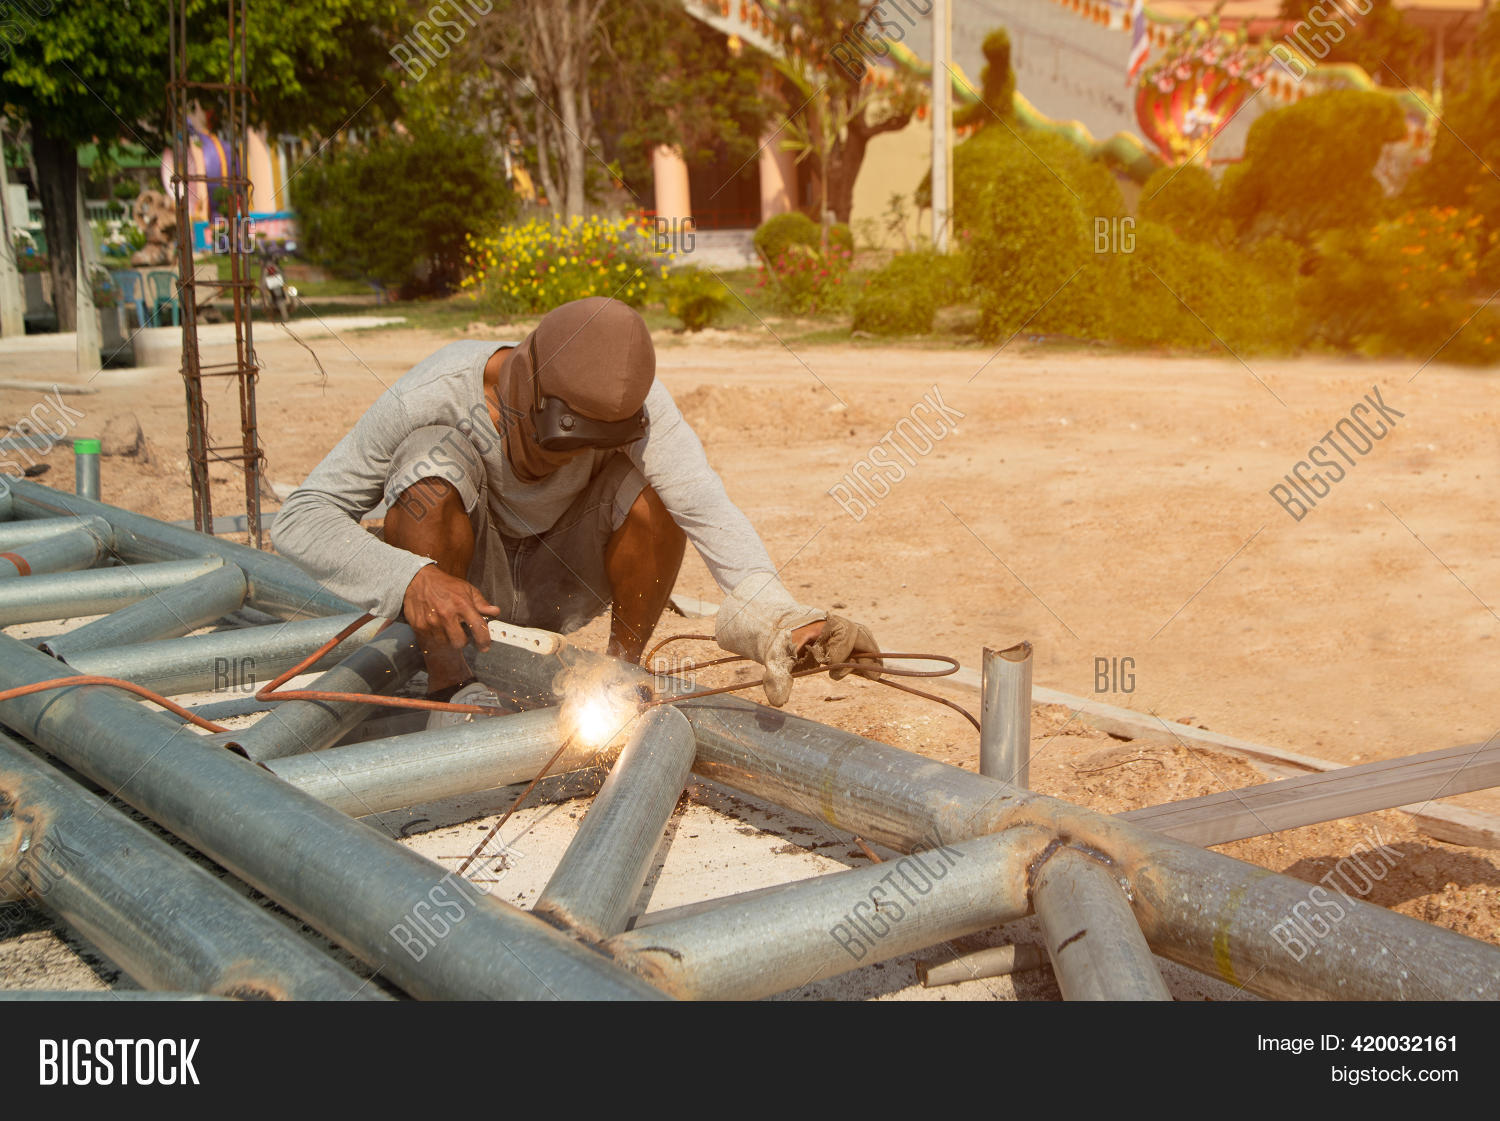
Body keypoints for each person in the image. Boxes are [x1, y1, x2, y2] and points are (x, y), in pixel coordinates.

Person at [272, 297, 879, 716]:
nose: (567, 463)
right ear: (520, 396)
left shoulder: (640, 404)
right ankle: (449, 685)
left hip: (561, 579)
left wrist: (781, 617)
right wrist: (412, 577)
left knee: (656, 491)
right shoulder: (436, 391)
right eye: (558, 445)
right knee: (429, 463)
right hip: (462, 582)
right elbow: (301, 515)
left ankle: (618, 677)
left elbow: (706, 508)